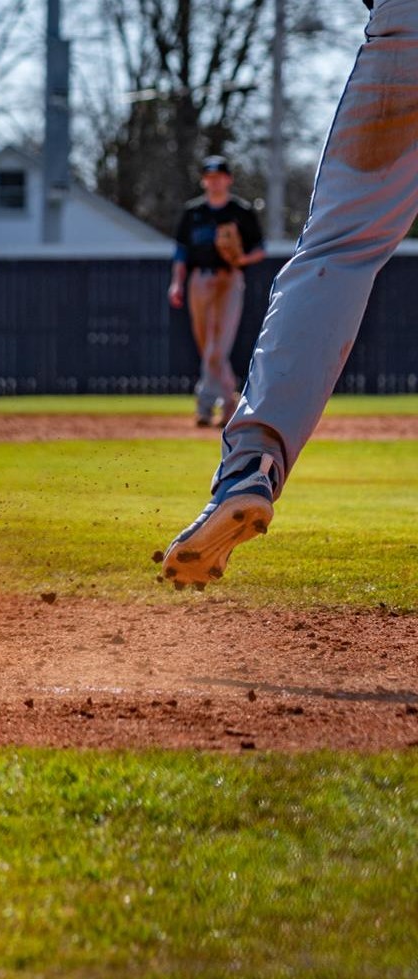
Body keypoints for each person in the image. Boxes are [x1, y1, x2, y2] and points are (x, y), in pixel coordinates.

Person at [157, 0, 414, 589]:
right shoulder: (194, 212)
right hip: (199, 282)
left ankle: (251, 465)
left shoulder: (235, 210)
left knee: (337, 253)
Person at [168, 156, 268, 428]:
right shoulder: (193, 212)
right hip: (199, 279)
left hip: (229, 278)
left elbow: (260, 249)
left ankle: (204, 405)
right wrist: (177, 283)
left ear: (228, 179)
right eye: (210, 177)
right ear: (204, 181)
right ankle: (230, 401)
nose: (214, 182)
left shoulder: (241, 211)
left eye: (219, 177)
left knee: (217, 346)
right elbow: (181, 253)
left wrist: (242, 259)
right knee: (206, 344)